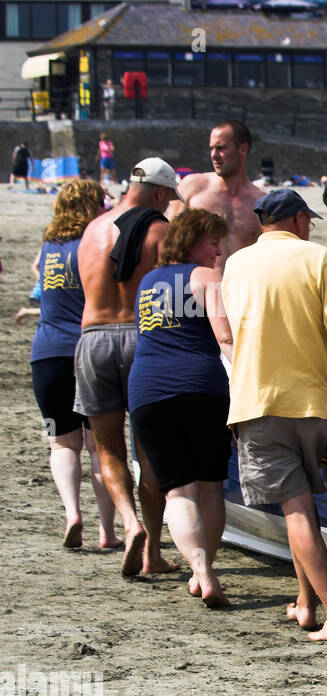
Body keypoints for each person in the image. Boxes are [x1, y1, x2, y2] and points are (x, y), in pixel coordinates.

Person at [222, 189, 327, 642]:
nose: (311, 228)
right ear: (296, 220)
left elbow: (234, 329)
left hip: (258, 399)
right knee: (300, 506)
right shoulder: (317, 259)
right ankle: (308, 603)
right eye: (308, 221)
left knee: (295, 509)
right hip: (313, 401)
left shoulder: (235, 264)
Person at [76, 157, 180, 576]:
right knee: (148, 449)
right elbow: (174, 287)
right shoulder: (159, 229)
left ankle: (129, 521)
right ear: (159, 193)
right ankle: (153, 552)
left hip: (93, 337)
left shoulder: (92, 229)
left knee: (106, 447)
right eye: (170, 197)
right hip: (141, 337)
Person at [128, 209, 234, 607]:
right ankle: (206, 571)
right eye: (213, 243)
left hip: (148, 392)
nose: (219, 251)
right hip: (201, 388)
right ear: (192, 241)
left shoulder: (147, 283)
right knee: (209, 486)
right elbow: (224, 336)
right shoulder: (206, 277)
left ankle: (201, 571)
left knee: (177, 492)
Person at [27, 179, 119, 551]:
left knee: (61, 443)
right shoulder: (95, 245)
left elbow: (37, 271)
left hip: (46, 353)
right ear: (92, 206)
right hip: (87, 349)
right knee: (100, 445)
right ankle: (107, 531)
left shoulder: (49, 246)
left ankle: (72, 514)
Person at [171, 121, 266, 266]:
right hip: (195, 284)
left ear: (243, 149)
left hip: (240, 286)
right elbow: (170, 240)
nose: (214, 155)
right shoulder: (193, 187)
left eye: (221, 148)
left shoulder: (260, 202)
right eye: (212, 148)